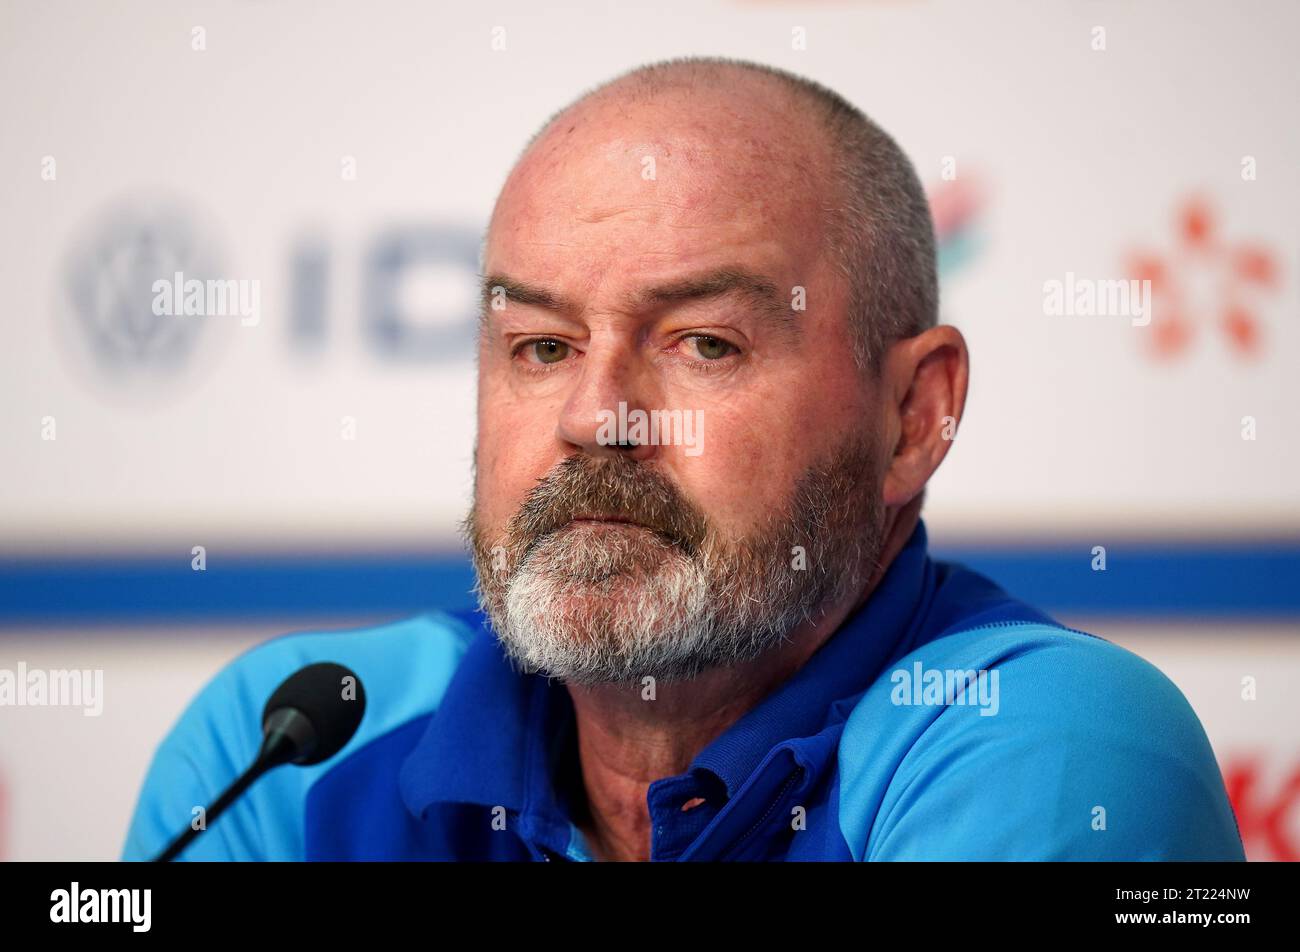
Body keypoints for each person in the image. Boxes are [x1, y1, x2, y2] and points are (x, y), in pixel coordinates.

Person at [123, 57, 1244, 862]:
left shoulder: (1047, 741)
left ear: (912, 415)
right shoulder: (298, 740)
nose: (596, 416)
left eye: (704, 342)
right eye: (543, 346)